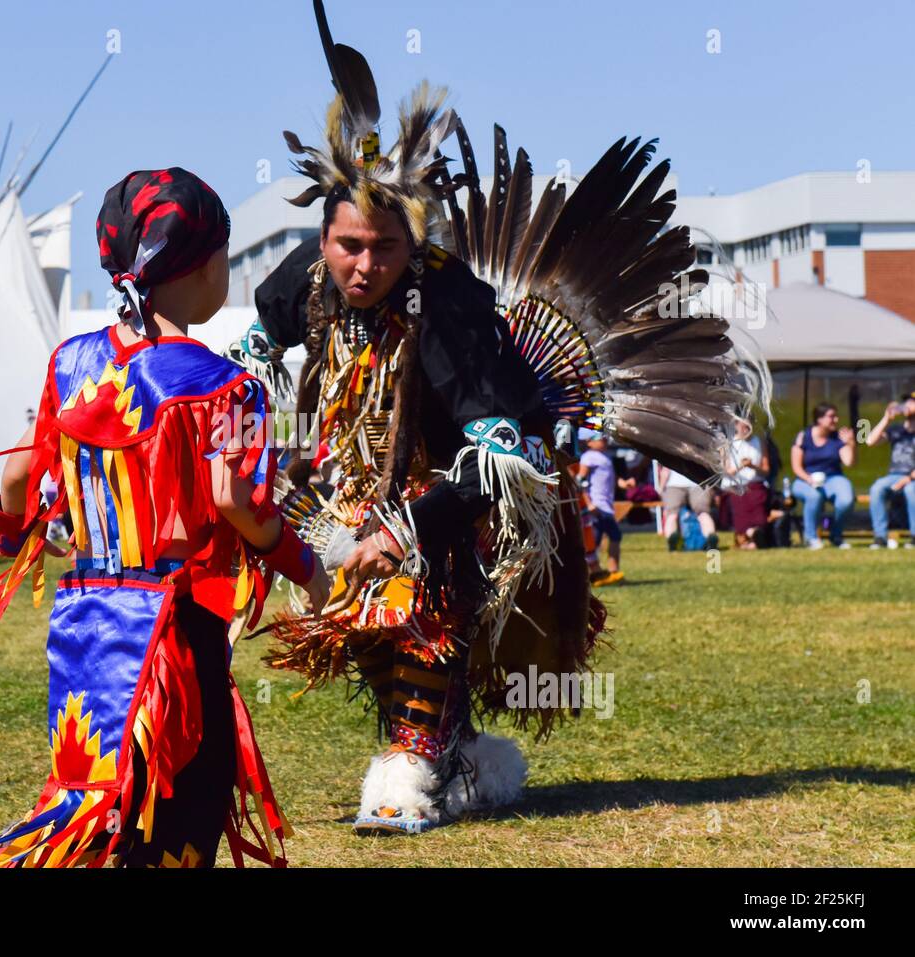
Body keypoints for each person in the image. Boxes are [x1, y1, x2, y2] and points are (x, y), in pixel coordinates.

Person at [225, 1, 765, 836]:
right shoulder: (303, 278)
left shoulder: (448, 307)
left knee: (422, 602)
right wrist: (251, 451)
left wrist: (405, 529)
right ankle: (466, 756)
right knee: (363, 624)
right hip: (370, 478)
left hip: (485, 476)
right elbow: (250, 364)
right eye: (348, 246)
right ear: (323, 237)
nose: (364, 266)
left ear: (416, 243)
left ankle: (409, 769)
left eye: (385, 249)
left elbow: (497, 456)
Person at [0, 167, 317, 868]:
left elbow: (15, 480)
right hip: (176, 644)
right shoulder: (230, 386)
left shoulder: (72, 364)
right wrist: (304, 564)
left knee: (96, 809)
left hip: (89, 637)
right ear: (210, 264)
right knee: (174, 823)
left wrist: (13, 538)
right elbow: (234, 498)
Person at [791, 402, 856, 549]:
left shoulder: (838, 438)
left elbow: (849, 462)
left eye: (836, 416)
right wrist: (809, 479)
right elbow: (796, 467)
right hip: (804, 479)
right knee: (814, 496)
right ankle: (811, 538)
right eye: (832, 416)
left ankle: (836, 535)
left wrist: (851, 443)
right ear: (819, 419)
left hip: (833, 477)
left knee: (847, 499)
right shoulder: (803, 437)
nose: (836, 420)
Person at [577, 430, 633, 584]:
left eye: (605, 437)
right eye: (600, 438)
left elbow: (613, 480)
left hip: (606, 506)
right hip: (597, 506)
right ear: (589, 441)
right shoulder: (588, 457)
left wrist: (624, 484)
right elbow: (580, 481)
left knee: (603, 539)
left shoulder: (605, 457)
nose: (604, 440)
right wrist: (588, 503)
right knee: (600, 540)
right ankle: (597, 574)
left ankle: (608, 572)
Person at [866, 396, 915, 549]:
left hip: (912, 477)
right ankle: (880, 538)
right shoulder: (896, 429)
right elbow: (870, 441)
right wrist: (886, 418)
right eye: (907, 401)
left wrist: (908, 478)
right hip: (894, 476)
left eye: (913, 402)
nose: (908, 405)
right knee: (877, 488)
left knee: (911, 490)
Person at [722, 417, 771, 549]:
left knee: (758, 511)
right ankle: (750, 535)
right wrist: (741, 466)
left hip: (755, 485)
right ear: (736, 425)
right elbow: (726, 471)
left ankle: (753, 536)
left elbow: (766, 470)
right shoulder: (729, 443)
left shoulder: (759, 442)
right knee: (740, 507)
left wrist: (752, 466)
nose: (746, 430)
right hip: (735, 485)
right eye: (744, 426)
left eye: (748, 427)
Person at [660, 464, 720, 551]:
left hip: (674, 483)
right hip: (699, 482)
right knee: (703, 513)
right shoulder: (701, 449)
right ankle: (710, 538)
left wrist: (661, 489)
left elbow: (665, 471)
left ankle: (672, 541)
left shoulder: (672, 450)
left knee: (672, 514)